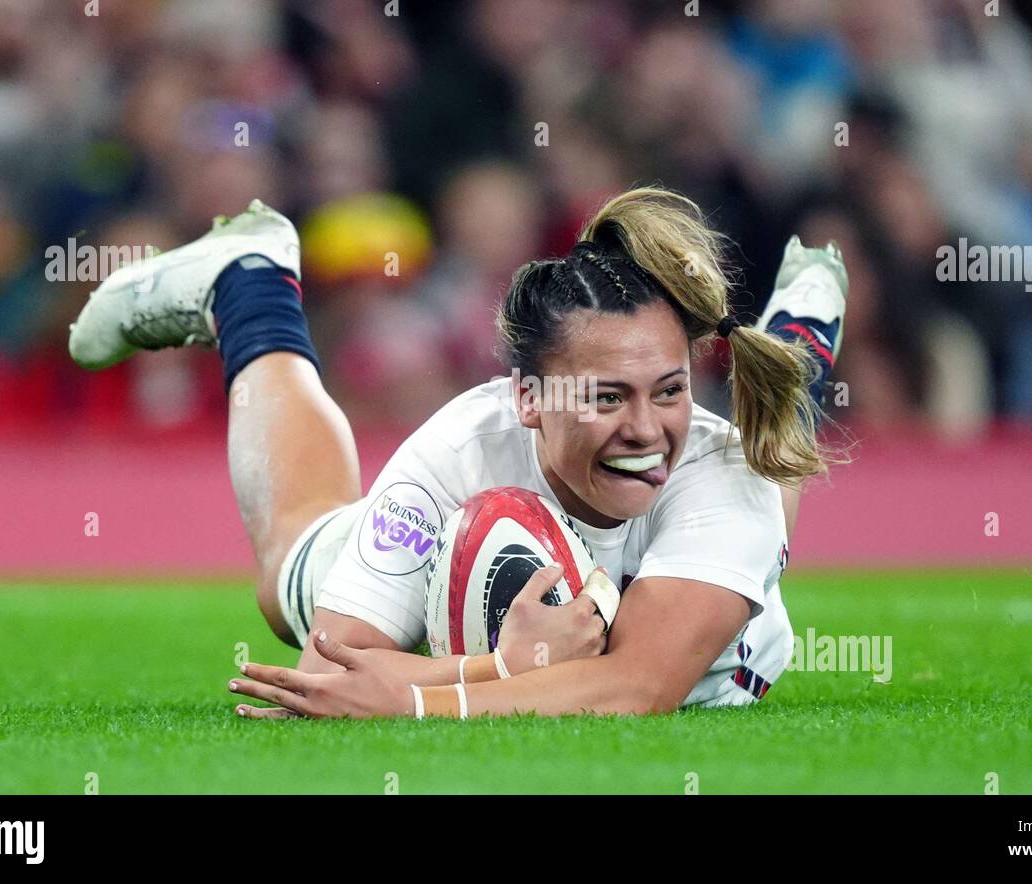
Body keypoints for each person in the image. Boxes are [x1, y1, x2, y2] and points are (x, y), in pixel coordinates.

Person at [68, 187, 848, 718]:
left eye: (670, 390)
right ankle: (249, 285)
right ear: (528, 399)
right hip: (452, 559)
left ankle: (797, 342)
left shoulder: (718, 471)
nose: (646, 427)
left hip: (724, 538)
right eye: (607, 397)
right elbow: (321, 677)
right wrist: (504, 669)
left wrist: (431, 695)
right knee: (285, 579)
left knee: (767, 457)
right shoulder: (460, 451)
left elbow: (637, 684)